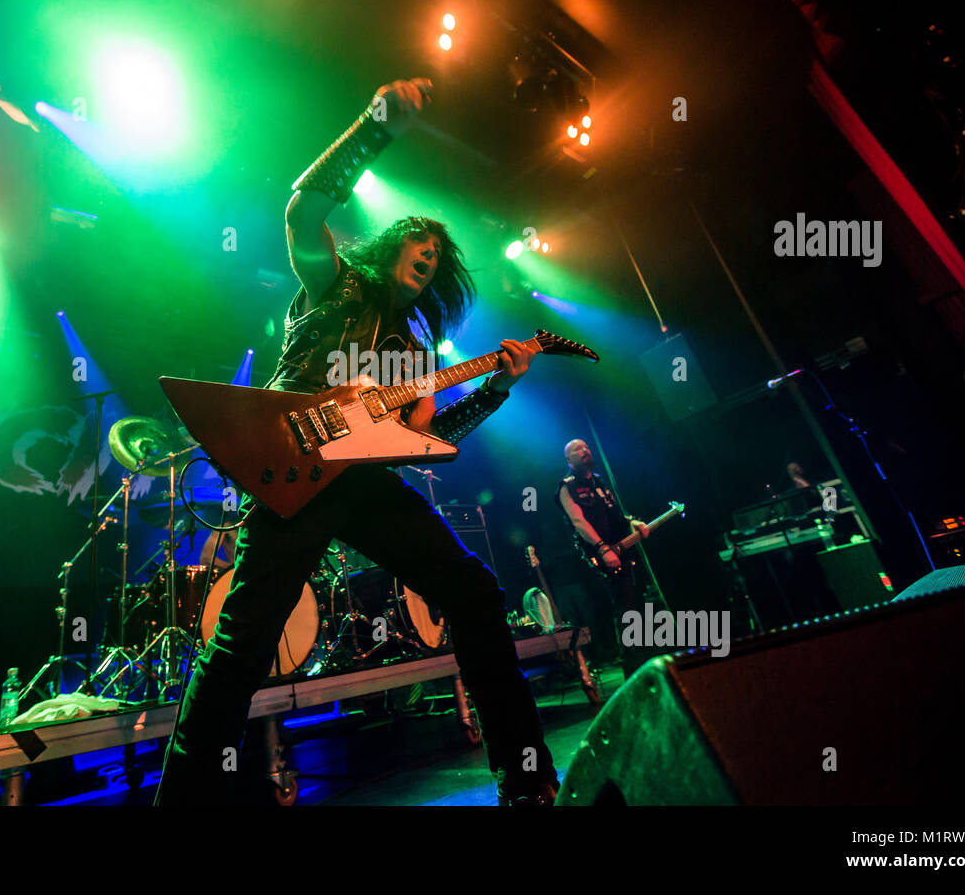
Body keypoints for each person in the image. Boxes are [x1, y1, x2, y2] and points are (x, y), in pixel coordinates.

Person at [155, 77, 559, 806]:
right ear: (391, 247)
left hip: (368, 485)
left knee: (473, 593)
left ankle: (528, 780)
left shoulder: (415, 350)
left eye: (439, 254)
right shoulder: (336, 285)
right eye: (418, 241)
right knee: (242, 642)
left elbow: (430, 442)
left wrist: (496, 387)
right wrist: (375, 127)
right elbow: (302, 210)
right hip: (297, 467)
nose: (428, 253)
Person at [555, 438, 651, 681]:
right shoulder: (567, 487)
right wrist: (601, 548)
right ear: (569, 459)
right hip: (597, 558)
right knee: (622, 607)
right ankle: (632, 666)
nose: (585, 450)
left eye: (586, 447)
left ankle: (640, 659)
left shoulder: (601, 483)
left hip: (621, 552)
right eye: (578, 449)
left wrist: (633, 522)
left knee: (634, 604)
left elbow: (617, 514)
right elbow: (578, 522)